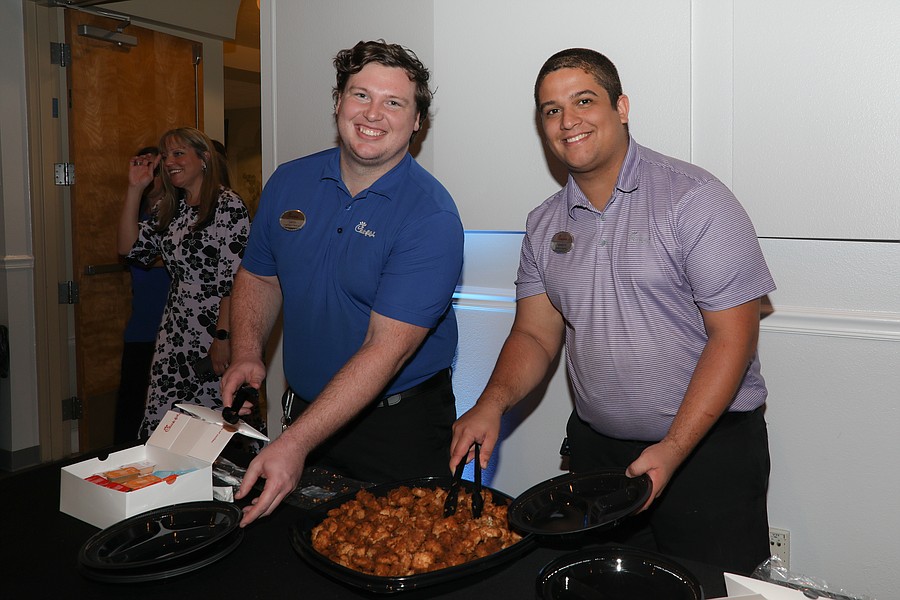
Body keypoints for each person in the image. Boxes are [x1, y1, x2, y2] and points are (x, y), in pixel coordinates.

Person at [449, 48, 776, 575]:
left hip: (705, 453)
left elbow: (732, 339)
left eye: (584, 100)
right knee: (598, 587)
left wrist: (672, 449)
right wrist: (492, 403)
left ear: (621, 107)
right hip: (598, 456)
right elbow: (534, 335)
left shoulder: (695, 199)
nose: (567, 120)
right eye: (551, 110)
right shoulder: (543, 224)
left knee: (712, 588)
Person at [221, 40, 464, 527]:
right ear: (338, 102)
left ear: (417, 121)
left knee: (398, 555)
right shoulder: (289, 182)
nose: (373, 114)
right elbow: (260, 275)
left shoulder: (430, 216)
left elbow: (385, 349)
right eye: (360, 95)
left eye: (394, 102)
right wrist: (247, 351)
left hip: (397, 431)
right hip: (306, 416)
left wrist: (293, 444)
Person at [117, 127, 253, 439]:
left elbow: (233, 279)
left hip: (214, 327)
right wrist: (135, 189)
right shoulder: (171, 207)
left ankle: (229, 486)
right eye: (165, 157)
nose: (169, 162)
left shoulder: (227, 205)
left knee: (216, 424)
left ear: (204, 158)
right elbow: (129, 248)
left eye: (179, 154)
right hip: (175, 329)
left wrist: (223, 337)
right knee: (167, 421)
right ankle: (174, 483)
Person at [113, 146, 171, 444]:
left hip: (173, 334)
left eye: (154, 168)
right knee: (131, 413)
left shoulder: (179, 215)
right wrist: (134, 188)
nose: (148, 175)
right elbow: (128, 249)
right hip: (142, 330)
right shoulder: (137, 214)